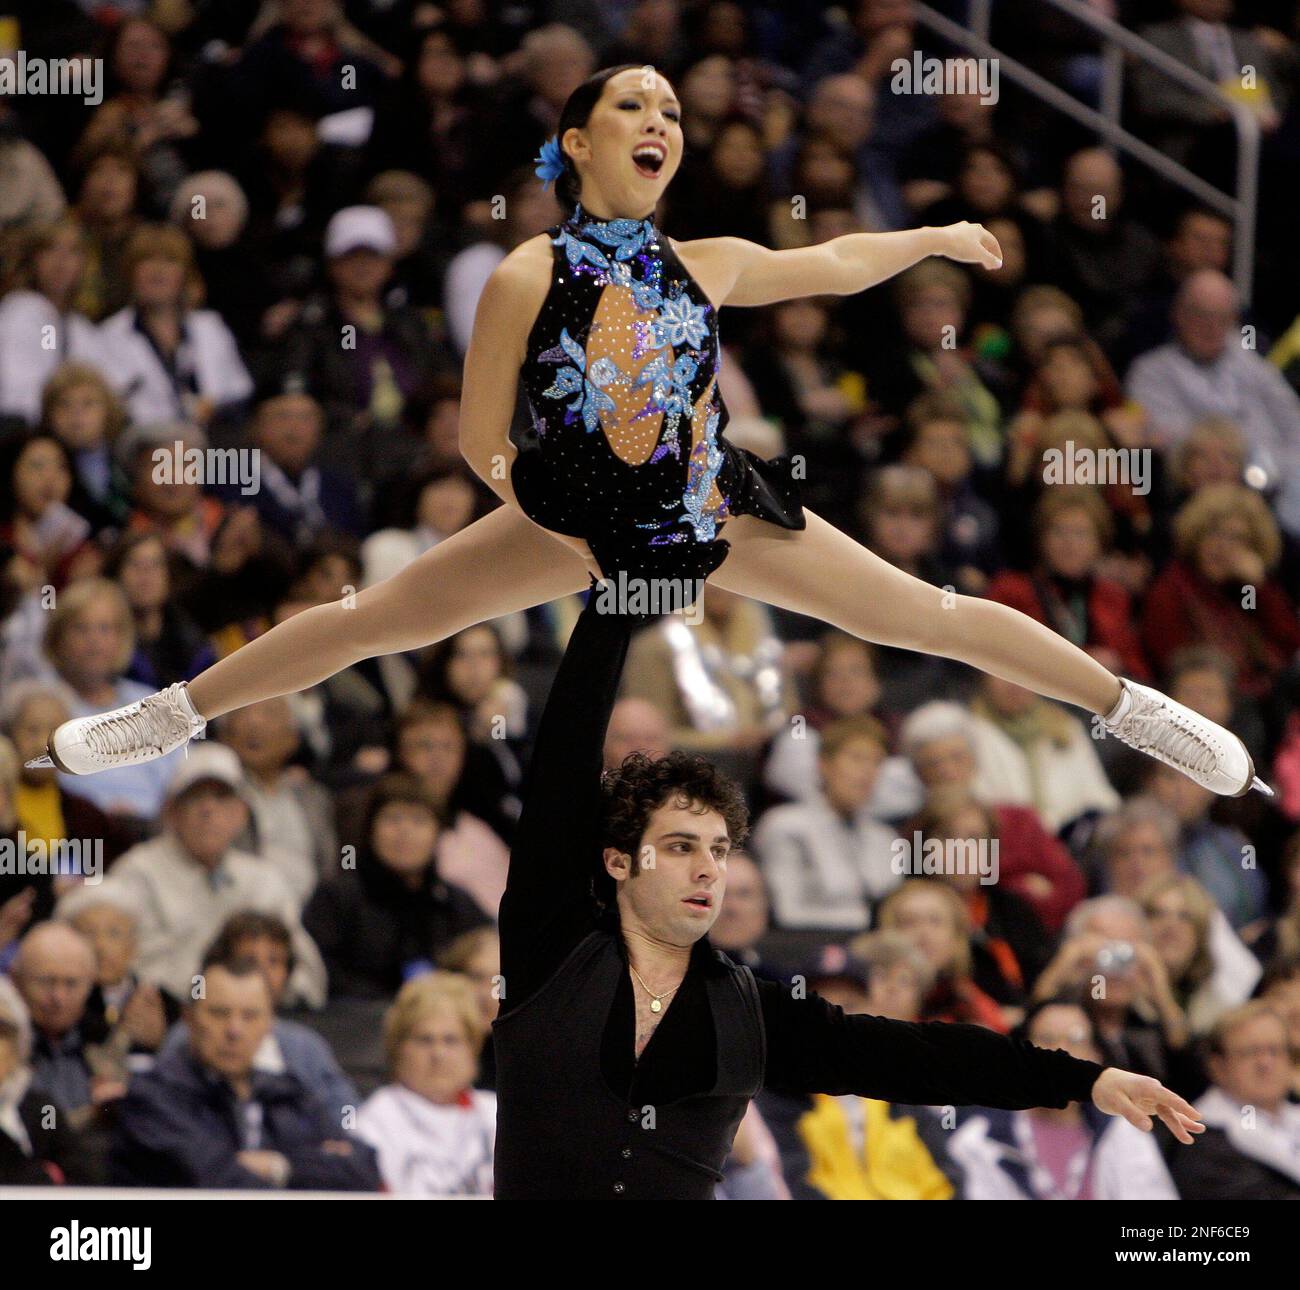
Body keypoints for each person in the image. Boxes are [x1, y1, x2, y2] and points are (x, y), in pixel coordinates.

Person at [33, 64, 1266, 809]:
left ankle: (1132, 709)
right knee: (370, 622)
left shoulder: (708, 262)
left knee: (927, 615)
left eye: (670, 107)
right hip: (570, 513)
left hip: (710, 509)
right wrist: (561, 511)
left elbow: (828, 261)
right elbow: (478, 440)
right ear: (578, 143)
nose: (659, 119)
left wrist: (929, 241)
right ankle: (171, 711)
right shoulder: (526, 271)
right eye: (632, 105)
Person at [488, 586, 1201, 1198]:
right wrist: (613, 598)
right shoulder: (552, 945)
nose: (708, 869)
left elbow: (916, 1056)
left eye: (718, 850)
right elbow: (563, 756)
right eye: (679, 848)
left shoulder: (752, 1010)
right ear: (617, 862)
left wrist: (1086, 1079)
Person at [110, 957, 380, 1191]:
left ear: (269, 1025)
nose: (234, 1031)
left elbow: (362, 1167)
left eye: (250, 1016)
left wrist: (278, 1166)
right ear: (189, 1018)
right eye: (219, 1013)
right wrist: (312, 1166)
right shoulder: (152, 1097)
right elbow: (212, 1178)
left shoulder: (288, 1093)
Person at [949, 999, 1179, 1200]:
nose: (1061, 1052)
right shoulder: (979, 1140)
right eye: (1046, 1039)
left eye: (1076, 1039)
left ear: (1096, 1055)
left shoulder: (1123, 1130)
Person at [353, 973, 496, 1197]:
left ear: (473, 1048)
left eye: (451, 1040)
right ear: (398, 1049)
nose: (438, 1054)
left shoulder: (497, 1112)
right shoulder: (374, 1120)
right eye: (424, 1040)